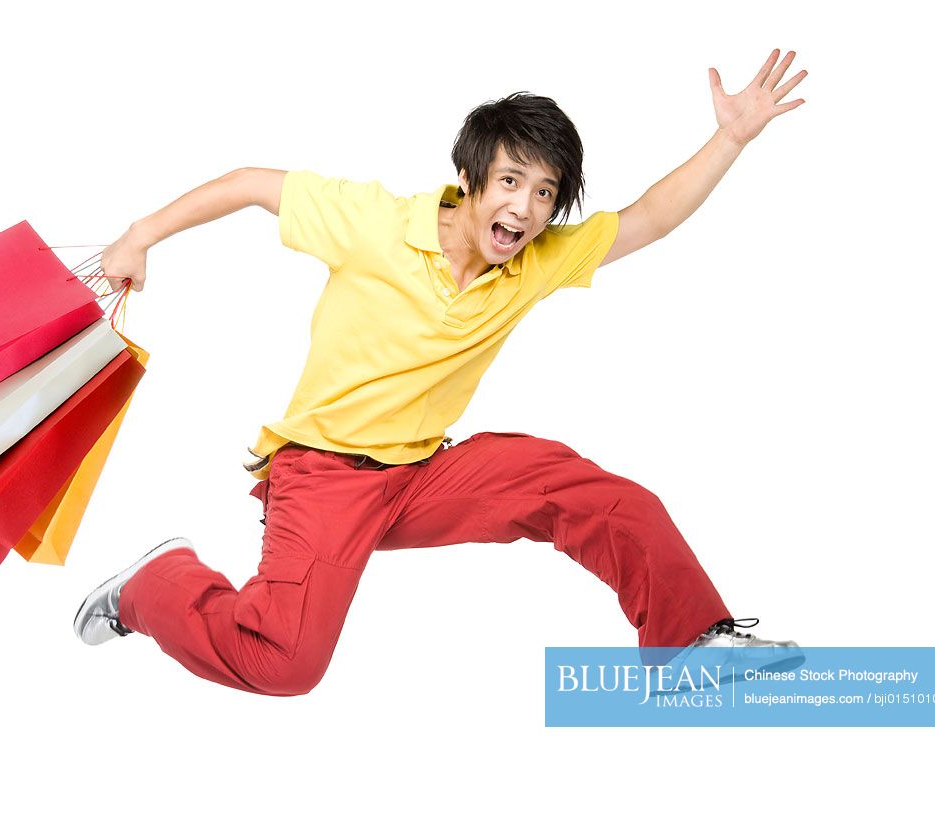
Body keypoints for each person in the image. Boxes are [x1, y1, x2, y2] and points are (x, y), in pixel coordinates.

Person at [73, 50, 810, 696]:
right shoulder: (373, 223)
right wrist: (140, 237)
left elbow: (648, 217)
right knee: (286, 662)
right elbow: (249, 184)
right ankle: (153, 585)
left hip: (423, 474)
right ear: (469, 177)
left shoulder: (535, 261)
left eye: (545, 193)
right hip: (324, 474)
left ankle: (688, 646)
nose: (524, 208)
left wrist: (730, 137)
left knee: (601, 496)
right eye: (511, 182)